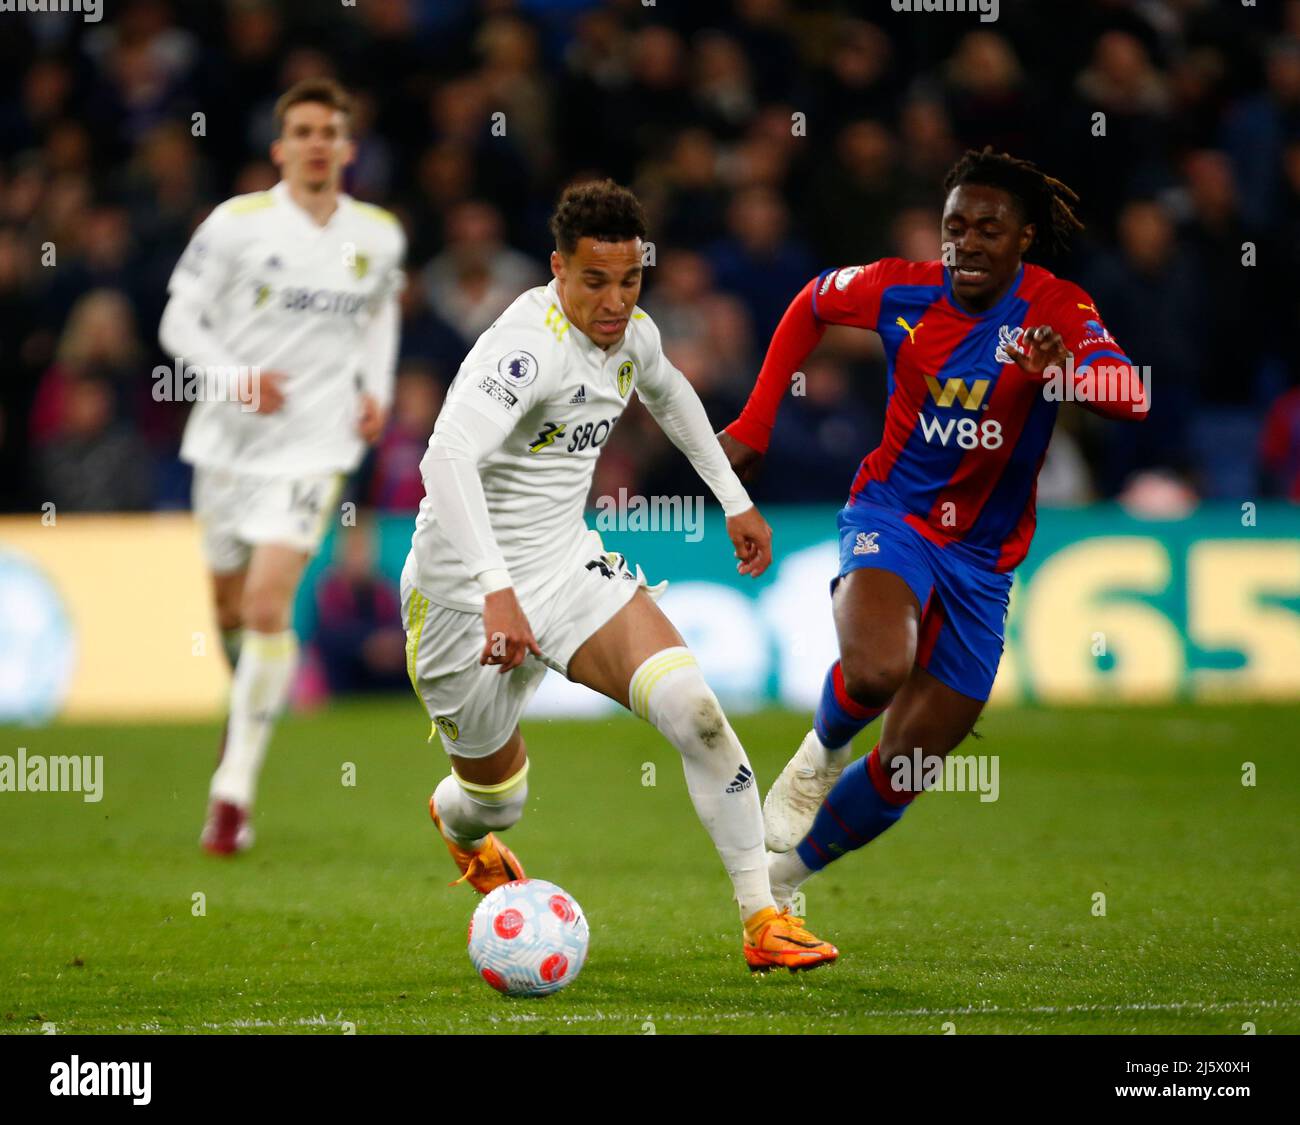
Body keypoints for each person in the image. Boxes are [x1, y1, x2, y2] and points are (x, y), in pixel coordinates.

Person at [403, 179, 837, 973]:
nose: (614, 301)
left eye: (630, 279)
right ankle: (456, 819)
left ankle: (762, 918)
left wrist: (735, 501)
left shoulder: (632, 334)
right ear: (556, 269)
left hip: (568, 571)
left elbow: (671, 396)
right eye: (595, 280)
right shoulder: (523, 350)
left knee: (696, 712)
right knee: (502, 800)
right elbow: (445, 458)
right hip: (466, 595)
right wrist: (496, 590)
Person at [718, 149, 1147, 908]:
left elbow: (1131, 395)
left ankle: (780, 884)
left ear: (1024, 239)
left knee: (907, 770)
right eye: (956, 227)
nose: (969, 243)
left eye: (990, 228)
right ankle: (820, 750)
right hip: (894, 517)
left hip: (984, 562)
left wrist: (1066, 374)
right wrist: (754, 421)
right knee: (878, 668)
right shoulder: (901, 290)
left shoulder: (1057, 309)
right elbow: (812, 301)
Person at [159, 78, 405, 854]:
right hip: (228, 447)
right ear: (280, 146)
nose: (316, 143)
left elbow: (380, 313)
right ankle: (245, 716)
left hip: (315, 448)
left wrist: (377, 388)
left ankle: (232, 792)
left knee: (269, 606)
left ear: (348, 146)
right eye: (301, 130)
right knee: (231, 612)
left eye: (330, 130)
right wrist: (235, 380)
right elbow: (176, 319)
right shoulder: (235, 225)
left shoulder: (378, 235)